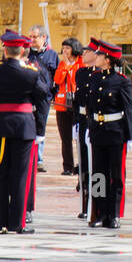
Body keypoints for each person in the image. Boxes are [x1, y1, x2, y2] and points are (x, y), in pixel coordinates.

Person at [0, 31, 47, 234]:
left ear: (5, 50)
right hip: (24, 128)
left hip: (0, 127)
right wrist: (39, 127)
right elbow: (43, 95)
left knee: (1, 174)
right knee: (20, 176)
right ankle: (17, 223)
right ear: (22, 51)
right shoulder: (31, 73)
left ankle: (1, 223)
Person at [86, 40, 132, 229]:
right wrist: (88, 128)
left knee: (115, 175)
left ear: (108, 60)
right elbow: (90, 107)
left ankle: (113, 214)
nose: (95, 57)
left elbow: (128, 109)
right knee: (99, 174)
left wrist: (131, 136)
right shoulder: (94, 78)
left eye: (99, 55)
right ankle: (100, 213)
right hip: (98, 132)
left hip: (115, 132)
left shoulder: (122, 81)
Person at [75, 39, 104, 220]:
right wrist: (75, 122)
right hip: (83, 122)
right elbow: (77, 100)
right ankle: (86, 203)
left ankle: (97, 203)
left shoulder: (102, 75)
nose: (83, 54)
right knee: (85, 165)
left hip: (95, 122)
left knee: (97, 166)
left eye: (87, 52)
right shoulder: (81, 73)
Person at [26, 25, 59, 172]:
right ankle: (27, 157)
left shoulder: (52, 55)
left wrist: (52, 94)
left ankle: (38, 159)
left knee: (41, 126)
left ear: (43, 37)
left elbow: (56, 76)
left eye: (35, 37)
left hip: (44, 97)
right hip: (27, 96)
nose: (31, 40)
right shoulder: (26, 53)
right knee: (27, 125)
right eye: (30, 37)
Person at [53, 37, 83, 175]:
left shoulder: (80, 63)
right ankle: (67, 166)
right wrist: (65, 66)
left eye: (67, 48)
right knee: (65, 138)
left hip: (77, 104)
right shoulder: (62, 64)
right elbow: (58, 79)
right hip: (63, 104)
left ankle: (81, 164)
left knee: (80, 136)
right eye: (63, 48)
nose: (64, 51)